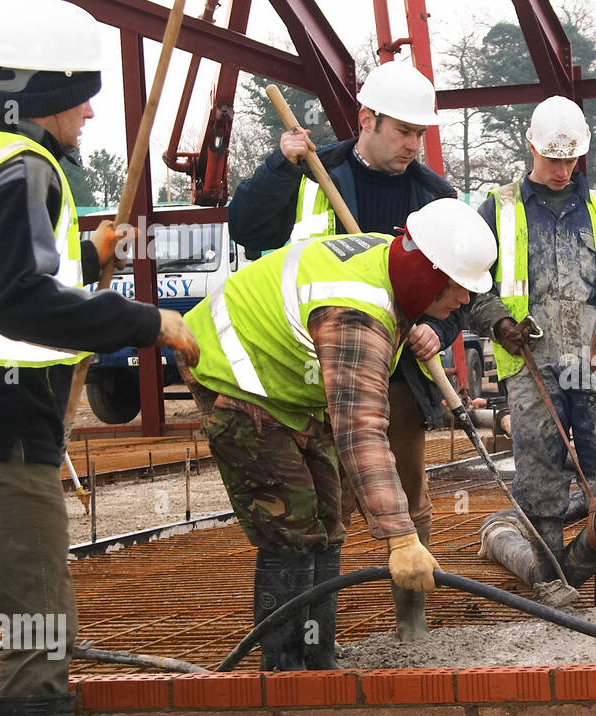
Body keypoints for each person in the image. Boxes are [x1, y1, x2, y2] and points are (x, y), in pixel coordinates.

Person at [0, 0, 199, 716]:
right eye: (83, 93)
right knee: (38, 637)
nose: (94, 109)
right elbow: (13, 300)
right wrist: (148, 320)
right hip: (3, 445)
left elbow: (10, 285)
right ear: (44, 94)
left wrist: (91, 261)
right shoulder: (28, 171)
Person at [180, 199, 496, 670]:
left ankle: (318, 656)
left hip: (289, 384)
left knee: (328, 521)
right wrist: (401, 538)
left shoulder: (387, 265)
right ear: (428, 275)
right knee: (291, 526)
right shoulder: (356, 314)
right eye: (458, 287)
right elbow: (362, 430)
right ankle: (283, 670)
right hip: (233, 375)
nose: (465, 301)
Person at [228, 60, 461, 641]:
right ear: (366, 119)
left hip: (398, 369)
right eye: (402, 130)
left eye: (419, 133)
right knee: (315, 508)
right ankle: (307, 639)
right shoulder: (311, 172)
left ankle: (412, 625)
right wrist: (278, 165)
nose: (413, 144)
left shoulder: (435, 196)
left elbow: (458, 290)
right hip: (306, 368)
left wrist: (443, 331)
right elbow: (248, 229)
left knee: (406, 492)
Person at [470, 96, 596, 606]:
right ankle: (552, 586)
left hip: (595, 362)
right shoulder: (496, 209)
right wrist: (498, 321)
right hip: (531, 366)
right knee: (541, 479)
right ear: (530, 148)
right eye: (553, 159)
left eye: (571, 160)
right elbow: (474, 283)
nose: (564, 169)